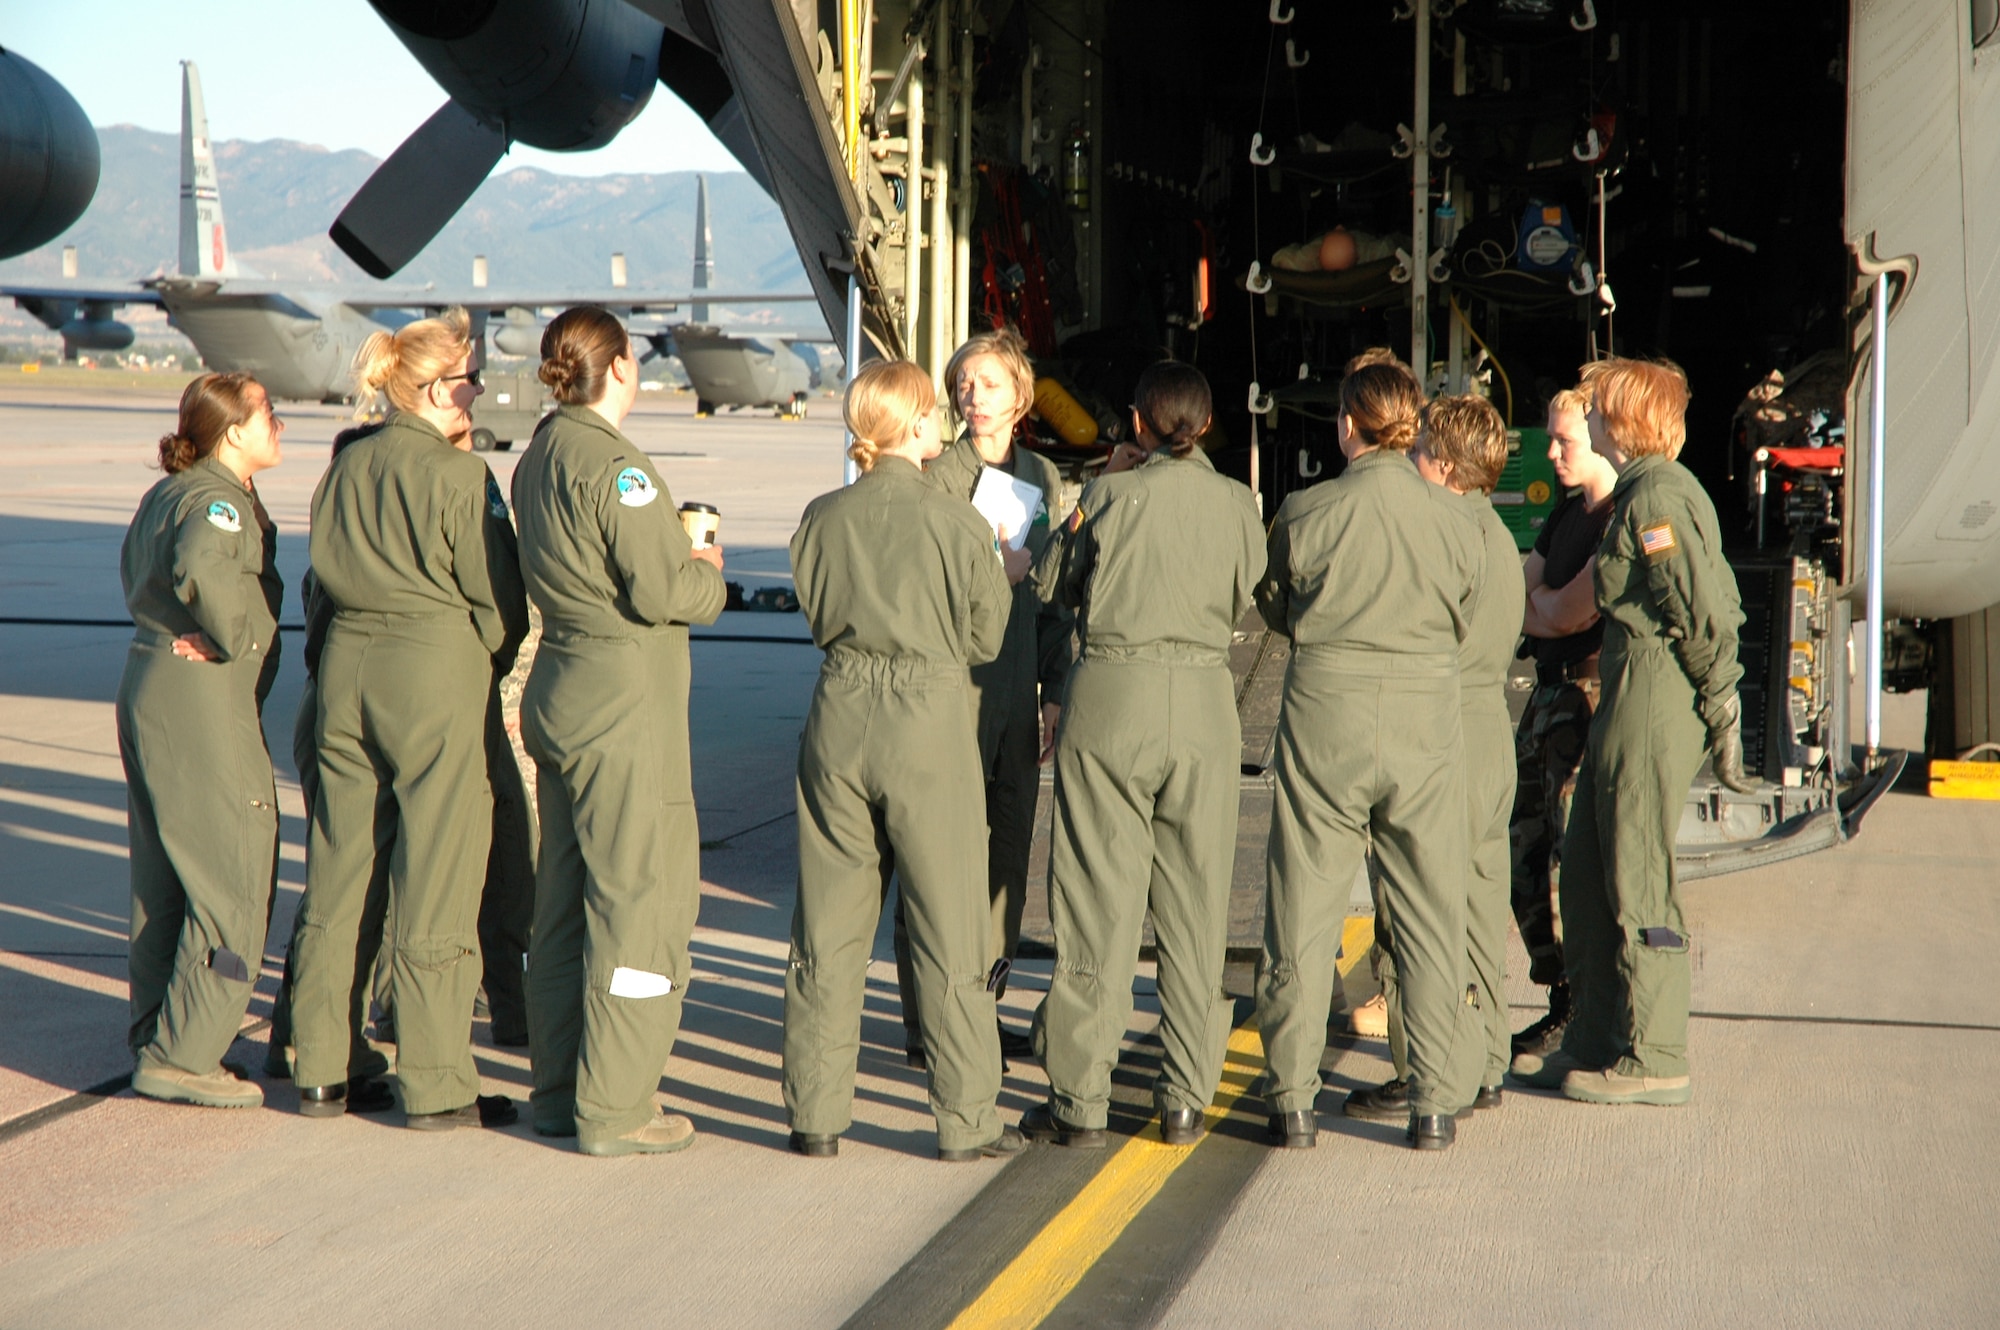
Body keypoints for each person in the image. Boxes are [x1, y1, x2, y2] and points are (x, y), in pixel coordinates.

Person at [290, 308, 528, 1130]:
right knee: (439, 873)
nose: (477, 394)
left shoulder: (345, 469)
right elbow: (501, 604)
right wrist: (484, 662)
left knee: (339, 869)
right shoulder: (462, 479)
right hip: (431, 670)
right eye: (468, 381)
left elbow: (317, 580)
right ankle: (435, 1078)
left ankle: (321, 1063)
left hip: (347, 669)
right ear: (430, 390)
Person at [784, 359, 1028, 1162]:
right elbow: (986, 641)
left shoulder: (821, 516)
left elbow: (820, 617)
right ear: (915, 424)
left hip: (841, 712)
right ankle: (965, 1121)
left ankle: (816, 1115)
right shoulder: (959, 524)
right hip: (926, 715)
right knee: (950, 923)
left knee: (828, 925)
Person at [1018, 361, 1264, 1148]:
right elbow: (1248, 590)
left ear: (1135, 423)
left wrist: (1113, 480)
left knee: (1097, 902)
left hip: (1113, 697)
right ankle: (1186, 1096)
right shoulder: (1236, 502)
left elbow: (1053, 582)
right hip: (1200, 700)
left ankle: (1080, 1101)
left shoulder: (1109, 496)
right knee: (1195, 906)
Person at [1254, 352, 1486, 1151]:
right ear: (1413, 426)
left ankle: (1290, 1097)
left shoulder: (1305, 511)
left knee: (1305, 903)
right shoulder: (1458, 521)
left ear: (1347, 424)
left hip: (1328, 709)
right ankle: (1433, 1102)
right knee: (1427, 908)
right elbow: (1463, 610)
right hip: (1425, 714)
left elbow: (1277, 607)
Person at [513, 305, 726, 1155]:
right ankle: (618, 1105)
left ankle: (562, 1090)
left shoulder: (539, 453)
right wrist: (705, 575)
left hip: (560, 683)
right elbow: (660, 591)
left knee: (563, 905)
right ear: (622, 369)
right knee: (643, 900)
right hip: (621, 702)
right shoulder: (618, 468)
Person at [1511, 358, 1750, 1106]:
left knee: (1637, 874)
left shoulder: (1659, 501)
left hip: (1653, 692)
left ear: (1629, 421)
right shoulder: (1641, 494)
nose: (1596, 425)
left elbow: (1701, 611)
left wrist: (1720, 705)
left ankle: (1656, 1052)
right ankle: (1593, 1034)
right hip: (1624, 688)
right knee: (1584, 872)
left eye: (1605, 413)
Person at [895, 325, 1072, 1065]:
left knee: (1007, 858)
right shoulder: (934, 477)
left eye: (989, 383)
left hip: (1017, 683)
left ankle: (978, 1007)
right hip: (953, 691)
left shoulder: (1041, 474)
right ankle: (924, 1021)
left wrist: (1055, 692)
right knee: (937, 858)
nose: (973, 396)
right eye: (964, 384)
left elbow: (1056, 595)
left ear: (1020, 394)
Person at [1346, 395, 1524, 1125]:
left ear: (1444, 467)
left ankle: (1431, 1071)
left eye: (1419, 453)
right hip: (1490, 733)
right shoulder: (1500, 539)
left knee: (1421, 912)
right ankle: (1483, 1060)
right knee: (1480, 908)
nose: (1410, 464)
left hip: (1444, 732)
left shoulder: (1438, 535)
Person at [118, 373, 284, 1108]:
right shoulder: (215, 500)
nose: (279, 423)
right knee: (233, 876)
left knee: (165, 880)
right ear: (234, 431)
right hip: (199, 700)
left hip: (152, 687)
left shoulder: (168, 491)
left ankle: (158, 1029)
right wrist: (240, 642)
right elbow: (200, 565)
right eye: (267, 412)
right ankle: (183, 1055)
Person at [1507, 387, 1619, 1060]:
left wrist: (1535, 606)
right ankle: (1561, 995)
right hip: (1547, 698)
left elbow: (1571, 614)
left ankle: (1587, 1005)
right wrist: (1537, 606)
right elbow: (1526, 588)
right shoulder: (1570, 517)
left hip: (1584, 701)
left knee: (1570, 864)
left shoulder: (1614, 518)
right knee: (1524, 853)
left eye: (1565, 441)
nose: (1551, 453)